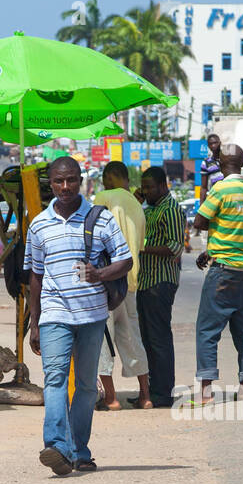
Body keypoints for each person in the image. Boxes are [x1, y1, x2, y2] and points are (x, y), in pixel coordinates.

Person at [24, 156, 131, 476]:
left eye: (71, 180)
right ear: (51, 184)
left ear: (81, 180)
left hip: (93, 315)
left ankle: (79, 451)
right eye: (59, 181)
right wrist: (33, 323)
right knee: (55, 380)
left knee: (85, 386)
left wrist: (99, 274)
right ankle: (57, 446)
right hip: (54, 313)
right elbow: (35, 277)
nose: (65, 187)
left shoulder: (102, 219)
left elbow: (125, 261)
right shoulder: (39, 224)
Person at [193, 143, 243, 406]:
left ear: (220, 165)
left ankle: (207, 390)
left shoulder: (220, 189)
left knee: (207, 330)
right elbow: (234, 230)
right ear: (242, 163)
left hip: (222, 271)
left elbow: (200, 221)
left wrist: (212, 243)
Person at [92, 161, 152, 411]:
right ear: (126, 179)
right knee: (132, 340)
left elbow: (91, 236)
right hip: (130, 282)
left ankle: (111, 398)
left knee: (101, 340)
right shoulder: (137, 206)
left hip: (106, 283)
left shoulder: (103, 197)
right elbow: (138, 245)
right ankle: (145, 396)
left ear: (107, 179)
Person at [134, 166, 186, 408]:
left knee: (159, 339)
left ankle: (164, 393)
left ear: (163, 186)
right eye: (143, 187)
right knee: (147, 339)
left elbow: (175, 247)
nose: (145, 191)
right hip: (145, 280)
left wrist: (141, 248)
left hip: (160, 281)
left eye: (149, 187)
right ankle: (152, 390)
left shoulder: (171, 209)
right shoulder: (150, 208)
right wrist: (136, 202)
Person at [198, 133, 223, 199]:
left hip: (230, 195)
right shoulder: (206, 163)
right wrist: (201, 206)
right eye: (211, 144)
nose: (213, 145)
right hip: (216, 197)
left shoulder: (227, 158)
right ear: (208, 146)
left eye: (215, 143)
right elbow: (203, 187)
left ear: (220, 143)